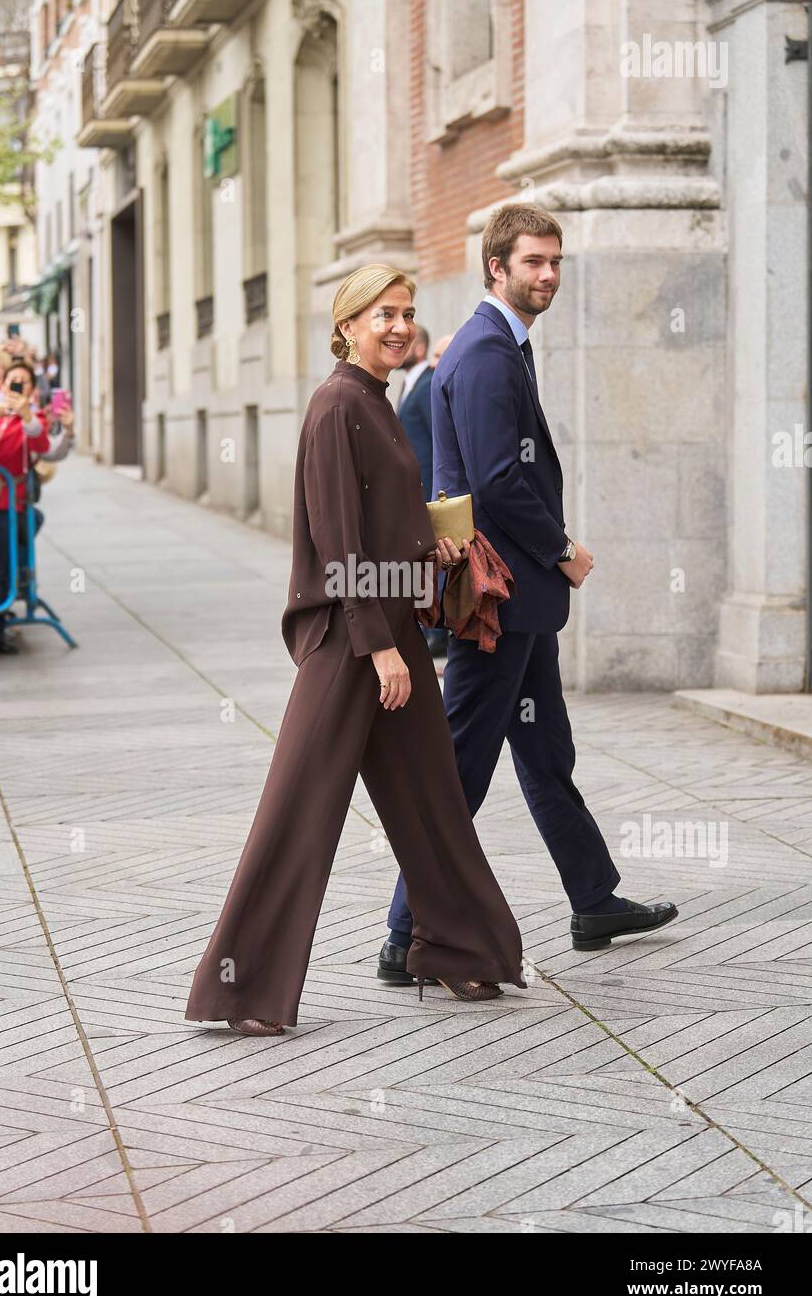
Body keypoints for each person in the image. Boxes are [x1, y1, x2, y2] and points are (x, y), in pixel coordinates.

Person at [185, 263, 527, 1037]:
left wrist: (427, 551)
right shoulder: (338, 404)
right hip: (350, 641)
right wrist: (379, 650)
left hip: (388, 628)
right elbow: (338, 541)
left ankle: (458, 948)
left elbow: (375, 525)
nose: (400, 326)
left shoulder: (375, 400)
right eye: (383, 315)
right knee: (299, 810)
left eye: (407, 313)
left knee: (431, 795)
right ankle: (237, 991)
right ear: (346, 326)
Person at [380, 203, 678, 972]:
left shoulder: (496, 344)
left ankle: (594, 901)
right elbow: (498, 481)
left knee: (546, 754)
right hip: (499, 598)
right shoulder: (484, 351)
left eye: (555, 262)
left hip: (517, 600)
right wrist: (563, 550)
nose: (547, 275)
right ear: (496, 269)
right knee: (463, 765)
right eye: (533, 263)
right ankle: (401, 933)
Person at [0, 358, 49, 659]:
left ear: (31, 390)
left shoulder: (31, 416)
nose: (15, 385)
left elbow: (41, 443)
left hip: (8, 500)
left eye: (23, 382)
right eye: (11, 380)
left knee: (1, 565)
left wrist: (26, 413)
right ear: (2, 383)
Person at [398, 332, 454, 658]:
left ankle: (435, 635)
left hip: (429, 493)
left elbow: (439, 441)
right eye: (433, 357)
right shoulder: (412, 385)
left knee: (432, 564)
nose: (435, 364)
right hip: (413, 494)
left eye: (438, 356)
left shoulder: (428, 385)